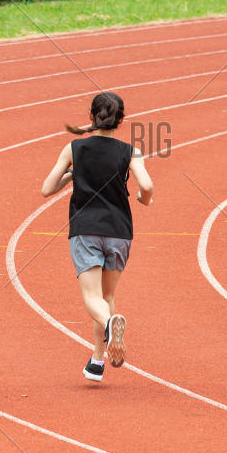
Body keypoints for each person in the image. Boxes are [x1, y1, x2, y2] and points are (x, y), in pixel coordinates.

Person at [39, 92, 154, 382]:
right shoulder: (129, 151)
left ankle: (109, 323)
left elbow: (47, 189)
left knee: (92, 297)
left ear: (91, 116)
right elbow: (147, 185)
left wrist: (72, 174)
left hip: (86, 229)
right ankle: (97, 360)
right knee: (108, 295)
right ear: (121, 120)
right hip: (119, 230)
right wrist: (144, 198)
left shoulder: (74, 147)